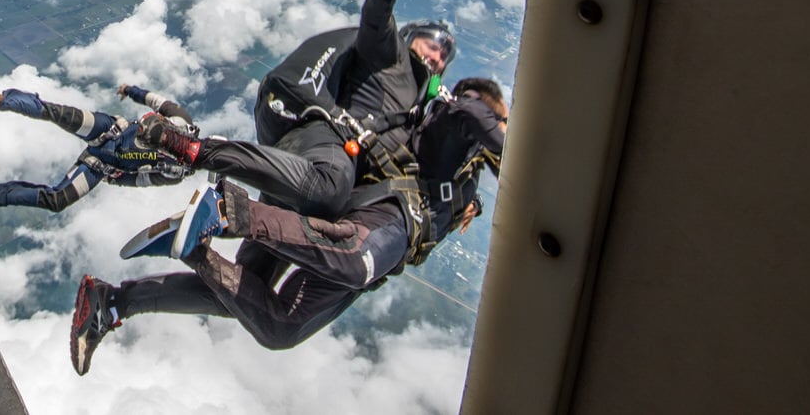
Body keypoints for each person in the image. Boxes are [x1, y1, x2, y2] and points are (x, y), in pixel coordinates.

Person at [69, 78, 508, 373]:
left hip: (331, 237)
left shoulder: (461, 180)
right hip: (354, 230)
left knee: (272, 322)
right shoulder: (453, 126)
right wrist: (511, 153)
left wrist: (469, 204)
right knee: (357, 263)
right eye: (500, 117)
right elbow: (466, 111)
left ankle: (115, 300)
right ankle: (226, 211)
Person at [135, 0, 454, 218]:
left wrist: (465, 201)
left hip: (328, 164)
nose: (438, 55)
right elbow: (377, 8)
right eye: (433, 43)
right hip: (325, 143)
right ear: (410, 38)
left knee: (275, 255)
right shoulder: (390, 55)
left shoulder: (418, 109)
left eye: (445, 56)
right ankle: (196, 148)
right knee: (329, 190)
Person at [0, 82, 196, 228]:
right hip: (109, 129)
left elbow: (141, 179)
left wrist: (114, 177)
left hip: (101, 165)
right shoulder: (181, 121)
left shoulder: (173, 172)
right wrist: (130, 91)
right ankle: (1, 100)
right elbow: (154, 100)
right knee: (57, 113)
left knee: (58, 201)